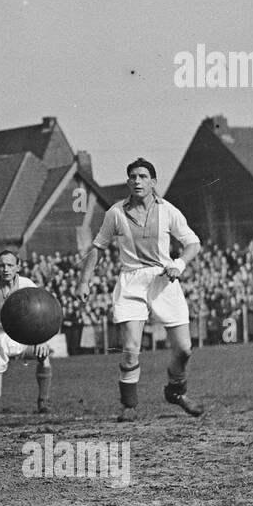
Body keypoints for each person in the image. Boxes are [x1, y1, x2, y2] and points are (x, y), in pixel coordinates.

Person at [75, 157, 204, 422]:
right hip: (131, 281)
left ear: (153, 182)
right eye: (132, 176)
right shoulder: (115, 213)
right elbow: (97, 248)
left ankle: (176, 391)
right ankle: (129, 405)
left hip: (164, 280)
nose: (137, 181)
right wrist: (84, 280)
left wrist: (179, 264)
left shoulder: (168, 210)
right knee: (131, 348)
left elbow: (193, 243)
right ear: (127, 182)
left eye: (143, 176)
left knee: (184, 349)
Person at [0, 248, 52, 415]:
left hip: (20, 336)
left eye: (10, 265)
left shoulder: (27, 284)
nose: (5, 269)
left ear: (18, 267)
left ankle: (43, 402)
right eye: (2, 265)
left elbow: (40, 313)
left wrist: (41, 339)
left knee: (44, 355)